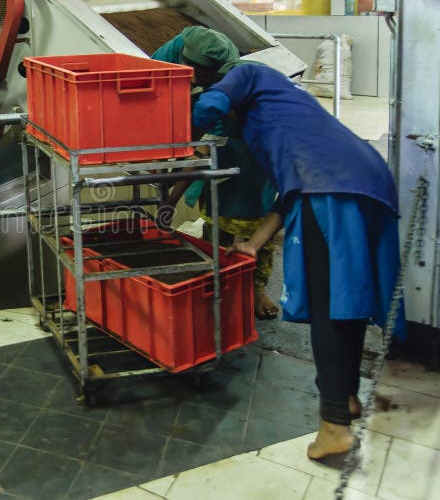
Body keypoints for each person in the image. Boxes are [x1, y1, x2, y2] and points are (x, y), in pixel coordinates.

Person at [190, 59, 405, 460]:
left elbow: (209, 106)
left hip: (329, 187)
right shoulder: (286, 110)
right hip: (367, 181)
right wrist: (254, 244)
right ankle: (346, 397)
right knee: (350, 298)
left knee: (329, 304)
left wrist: (181, 127)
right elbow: (288, 195)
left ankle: (333, 427)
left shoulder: (249, 73)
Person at [153, 26, 280, 320]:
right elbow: (201, 153)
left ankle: (256, 289)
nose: (192, 73)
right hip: (220, 186)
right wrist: (170, 200)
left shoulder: (240, 94)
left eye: (198, 70)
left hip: (253, 177)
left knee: (255, 238)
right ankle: (221, 283)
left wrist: (171, 199)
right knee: (216, 237)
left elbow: (203, 150)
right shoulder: (181, 63)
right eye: (189, 66)